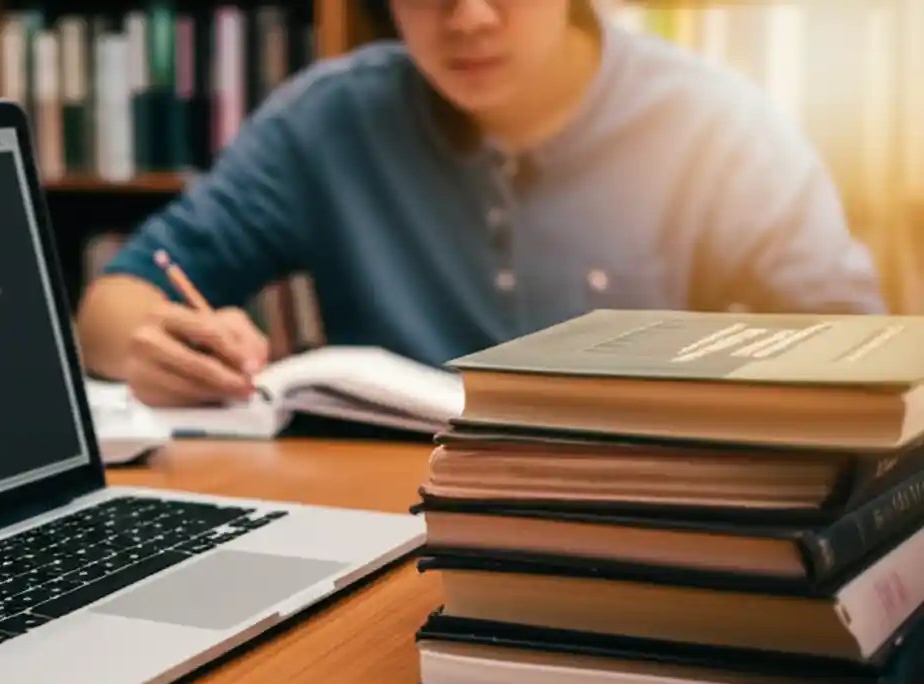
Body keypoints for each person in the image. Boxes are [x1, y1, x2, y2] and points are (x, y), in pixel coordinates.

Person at [76, 0, 886, 408]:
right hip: (396, 532)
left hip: (640, 515)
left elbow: (861, 350)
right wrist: (155, 343)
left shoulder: (714, 121)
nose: (467, 19)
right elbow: (114, 300)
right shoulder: (327, 121)